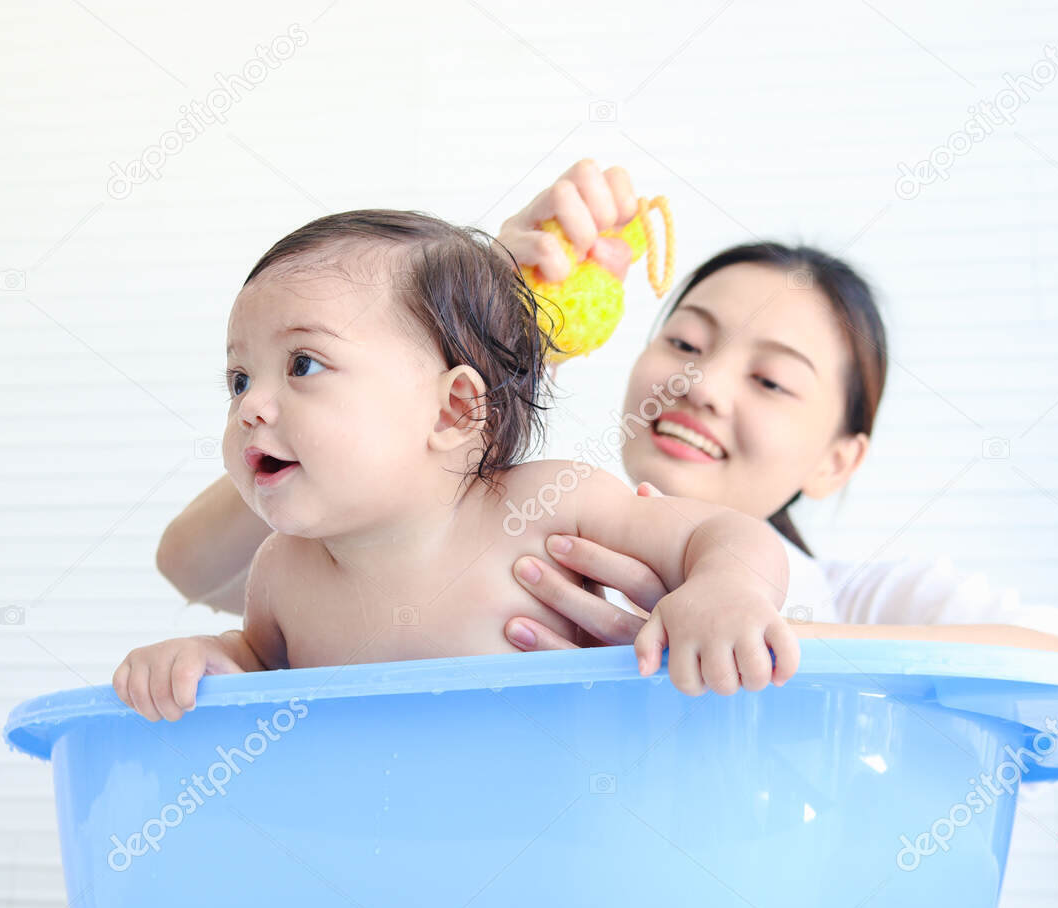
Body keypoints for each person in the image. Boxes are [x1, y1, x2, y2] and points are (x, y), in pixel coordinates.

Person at [113, 208, 801, 722]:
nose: (251, 408)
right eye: (238, 379)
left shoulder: (554, 508)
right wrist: (209, 659)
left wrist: (724, 592)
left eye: (303, 364)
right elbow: (261, 673)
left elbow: (726, 536)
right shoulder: (284, 571)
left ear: (452, 410)